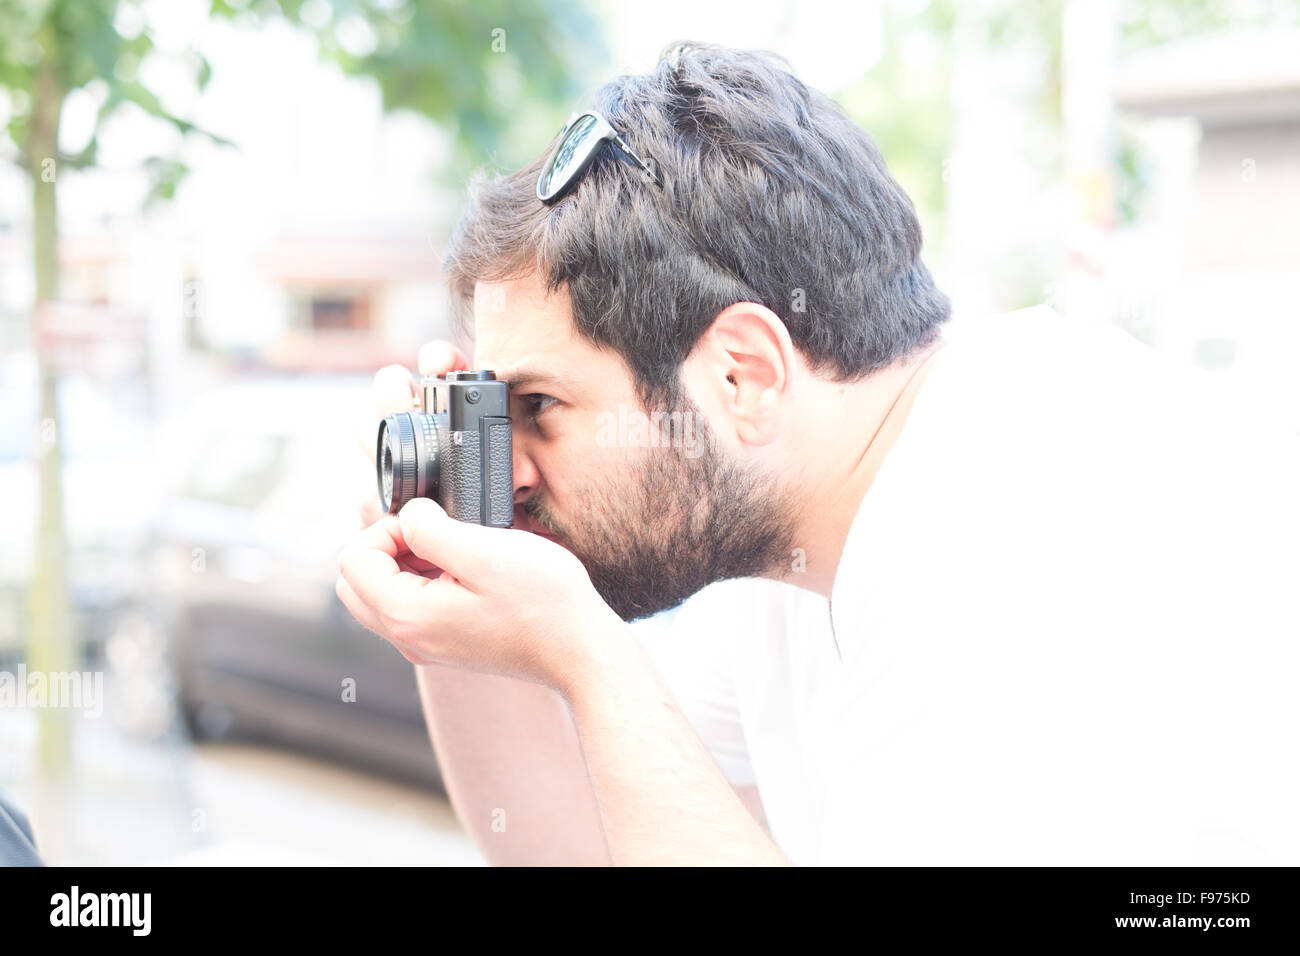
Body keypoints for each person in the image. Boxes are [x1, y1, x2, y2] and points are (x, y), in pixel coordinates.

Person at [338, 41, 1300, 865]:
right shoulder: (789, 547)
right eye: (490, 420)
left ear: (744, 375)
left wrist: (588, 656)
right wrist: (450, 561)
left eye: (538, 406)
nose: (510, 468)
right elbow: (580, 846)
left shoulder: (1043, 521)